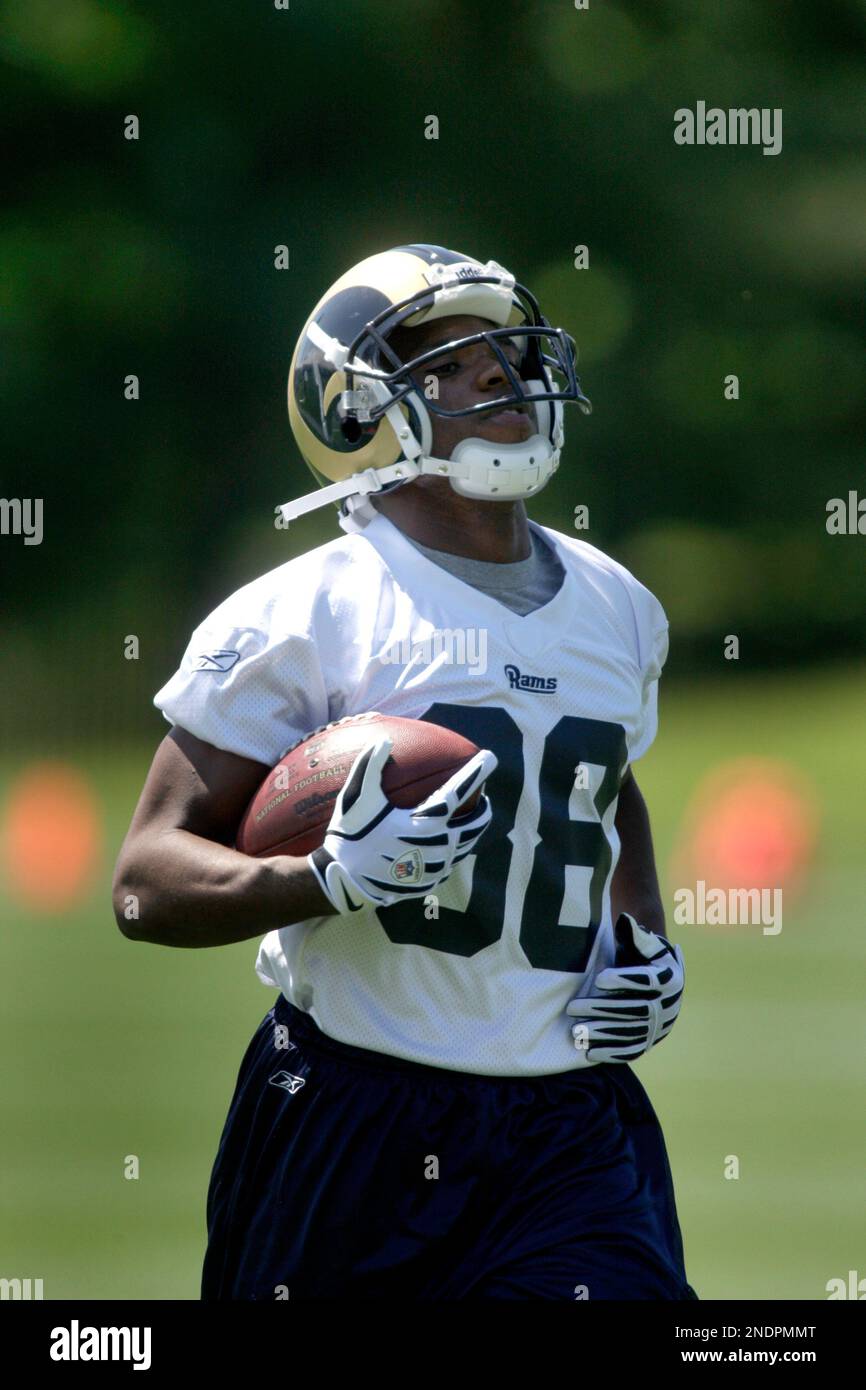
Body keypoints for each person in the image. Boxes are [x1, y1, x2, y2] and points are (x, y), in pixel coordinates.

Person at [113, 243, 697, 1301]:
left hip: (570, 1126)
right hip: (350, 1111)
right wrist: (322, 879)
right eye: (447, 363)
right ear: (357, 413)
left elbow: (601, 779)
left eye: (508, 354)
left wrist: (639, 935)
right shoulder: (307, 612)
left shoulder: (616, 604)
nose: (497, 375)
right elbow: (144, 880)